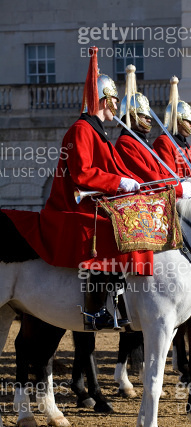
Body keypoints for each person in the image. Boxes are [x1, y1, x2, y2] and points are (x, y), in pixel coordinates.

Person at [3, 47, 152, 331]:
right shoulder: (81, 130)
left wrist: (136, 184)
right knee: (107, 231)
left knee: (130, 223)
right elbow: (83, 174)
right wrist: (118, 183)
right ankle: (94, 311)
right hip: (72, 206)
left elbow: (117, 170)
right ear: (101, 100)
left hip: (95, 201)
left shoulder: (99, 132)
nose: (117, 106)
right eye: (113, 100)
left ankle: (120, 296)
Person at [115, 65, 191, 199]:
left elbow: (164, 172)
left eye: (148, 115)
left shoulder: (142, 142)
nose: (149, 118)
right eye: (143, 115)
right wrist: (179, 188)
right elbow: (149, 177)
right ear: (130, 116)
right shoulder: (126, 143)